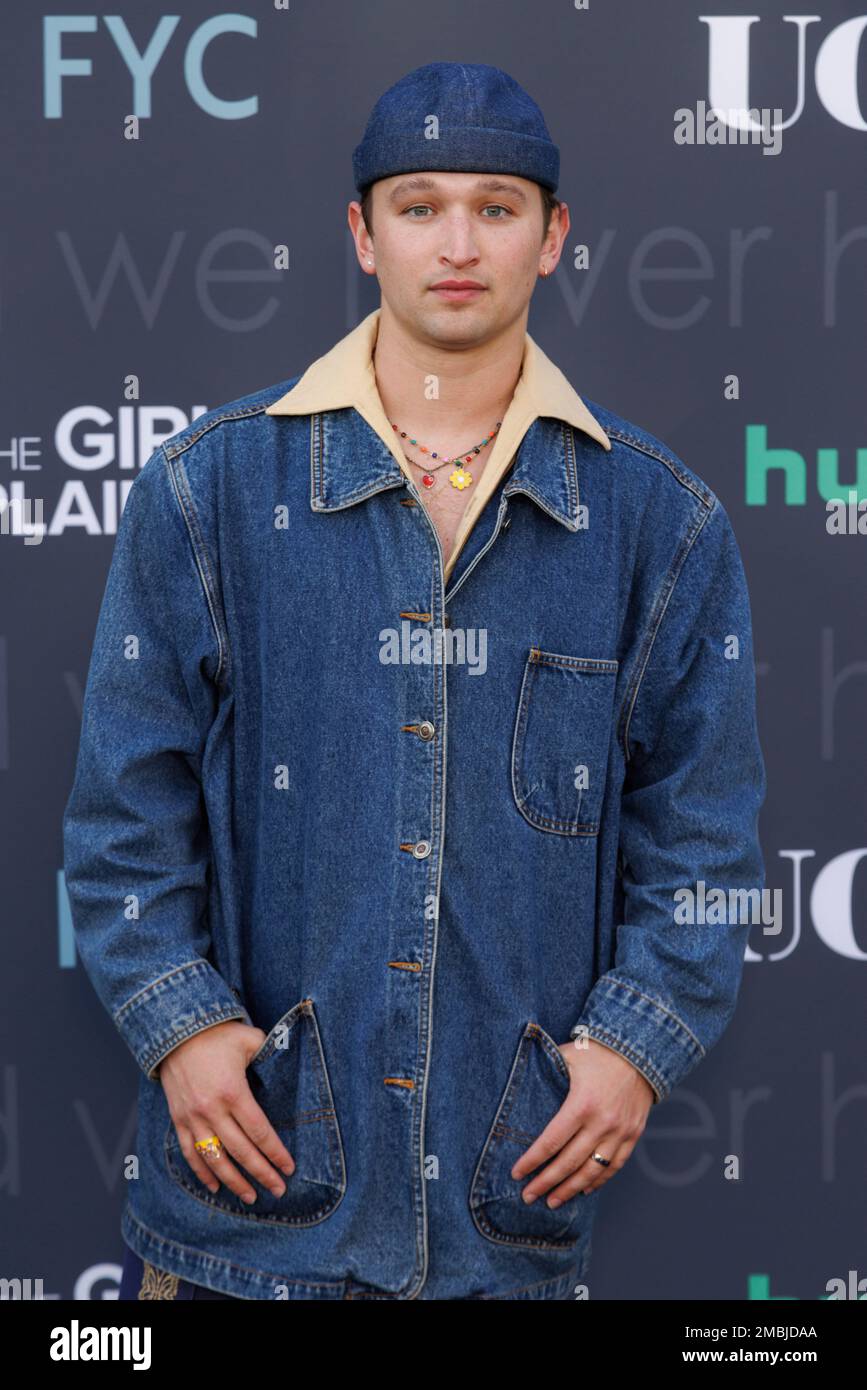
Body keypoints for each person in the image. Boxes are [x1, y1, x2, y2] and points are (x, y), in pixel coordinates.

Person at [63, 62, 766, 1302]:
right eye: (419, 205)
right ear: (361, 232)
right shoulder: (206, 488)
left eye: (497, 208)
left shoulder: (665, 521)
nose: (457, 243)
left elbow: (704, 847)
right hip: (243, 1226)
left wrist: (635, 1049)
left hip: (506, 1229)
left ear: (554, 239)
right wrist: (176, 1020)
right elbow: (126, 809)